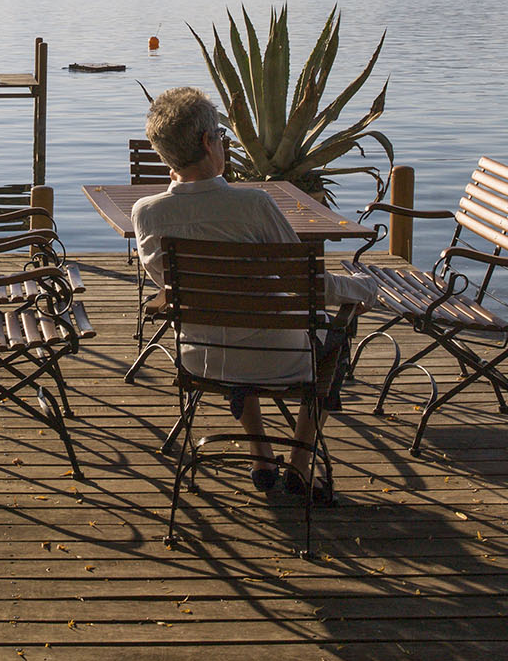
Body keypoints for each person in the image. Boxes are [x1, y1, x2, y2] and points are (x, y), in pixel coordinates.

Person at [130, 86, 359, 501]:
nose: (223, 145)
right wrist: (363, 287)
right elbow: (305, 285)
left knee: (232, 323)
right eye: (221, 137)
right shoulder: (254, 205)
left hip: (201, 358)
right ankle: (301, 463)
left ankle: (260, 452)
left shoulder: (146, 213)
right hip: (279, 361)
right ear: (206, 142)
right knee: (336, 336)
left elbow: (167, 283)